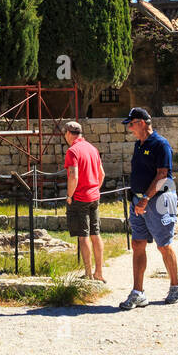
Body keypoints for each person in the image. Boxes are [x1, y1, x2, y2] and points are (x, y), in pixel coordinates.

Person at [117, 107, 178, 308]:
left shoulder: (160, 144)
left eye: (131, 123)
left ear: (141, 122)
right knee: (138, 244)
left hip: (159, 200)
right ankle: (138, 292)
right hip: (138, 201)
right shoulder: (139, 145)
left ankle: (176, 286)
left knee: (163, 244)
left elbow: (162, 174)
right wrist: (138, 199)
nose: (129, 128)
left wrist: (146, 198)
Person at [63, 120, 105, 282]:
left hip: (80, 197)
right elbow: (101, 174)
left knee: (83, 236)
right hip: (94, 196)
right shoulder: (92, 149)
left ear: (68, 133)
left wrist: (69, 195)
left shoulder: (72, 151)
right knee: (96, 233)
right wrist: (95, 189)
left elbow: (74, 176)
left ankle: (88, 273)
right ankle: (99, 272)